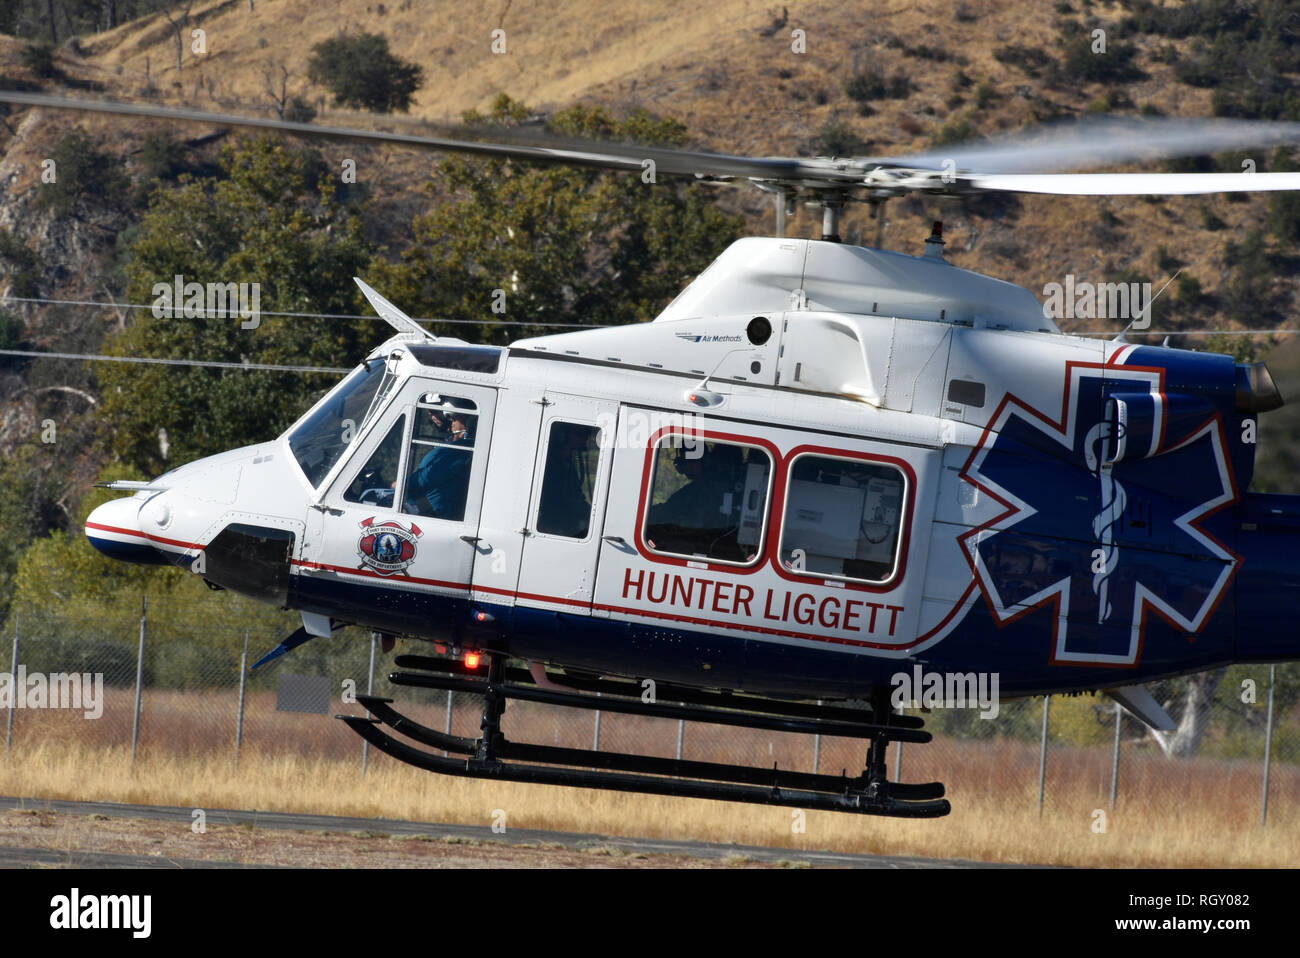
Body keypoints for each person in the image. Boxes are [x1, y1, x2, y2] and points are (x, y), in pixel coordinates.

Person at [404, 410, 474, 520]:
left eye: (455, 419)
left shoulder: (461, 448)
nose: (452, 423)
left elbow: (428, 476)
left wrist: (403, 484)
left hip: (431, 510)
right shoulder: (459, 447)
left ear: (467, 423)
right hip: (429, 505)